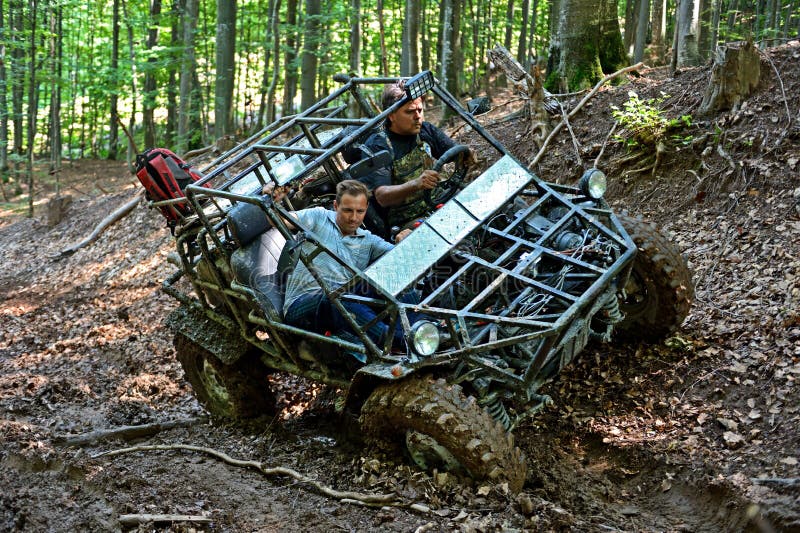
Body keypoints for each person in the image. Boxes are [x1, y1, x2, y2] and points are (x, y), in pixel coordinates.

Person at [270, 179, 416, 351]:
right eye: (347, 210)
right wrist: (273, 200)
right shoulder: (318, 217)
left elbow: (404, 257)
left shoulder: (368, 240)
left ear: (366, 209)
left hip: (343, 298)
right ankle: (402, 342)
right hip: (302, 306)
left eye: (360, 211)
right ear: (335, 205)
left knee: (398, 284)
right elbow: (279, 220)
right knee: (338, 300)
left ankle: (419, 331)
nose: (354, 218)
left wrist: (406, 240)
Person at [359, 81, 462, 235]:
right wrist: (416, 183)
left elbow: (456, 153)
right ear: (391, 115)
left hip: (442, 199)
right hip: (408, 221)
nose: (417, 116)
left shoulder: (425, 130)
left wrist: (466, 156)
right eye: (410, 111)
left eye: (420, 110)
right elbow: (382, 197)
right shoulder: (378, 146)